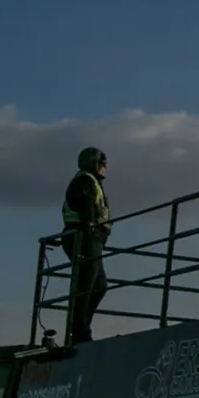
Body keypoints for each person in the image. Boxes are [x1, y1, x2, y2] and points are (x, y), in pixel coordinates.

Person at [60, 146, 113, 343]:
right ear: (92, 164)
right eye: (101, 164)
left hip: (92, 239)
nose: (103, 168)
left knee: (99, 286)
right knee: (87, 284)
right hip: (83, 237)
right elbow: (84, 206)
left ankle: (82, 328)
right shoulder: (84, 181)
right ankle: (79, 332)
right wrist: (90, 227)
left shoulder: (92, 182)